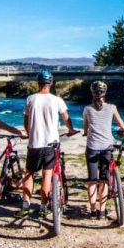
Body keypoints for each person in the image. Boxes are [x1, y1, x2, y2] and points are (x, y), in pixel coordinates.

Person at [19, 70, 79, 217]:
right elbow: (66, 118)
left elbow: (26, 122)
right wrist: (71, 130)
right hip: (51, 144)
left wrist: (29, 133)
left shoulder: (30, 99)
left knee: (29, 174)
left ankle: (25, 206)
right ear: (51, 83)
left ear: (38, 83)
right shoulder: (57, 100)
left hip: (34, 143)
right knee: (47, 174)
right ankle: (43, 207)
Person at [82, 80, 124, 220]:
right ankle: (102, 211)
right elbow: (121, 124)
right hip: (107, 147)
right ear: (105, 93)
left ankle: (92, 211)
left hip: (92, 147)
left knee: (92, 180)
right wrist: (123, 130)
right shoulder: (112, 107)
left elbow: (86, 128)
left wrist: (86, 132)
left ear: (92, 93)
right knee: (104, 179)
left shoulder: (87, 109)